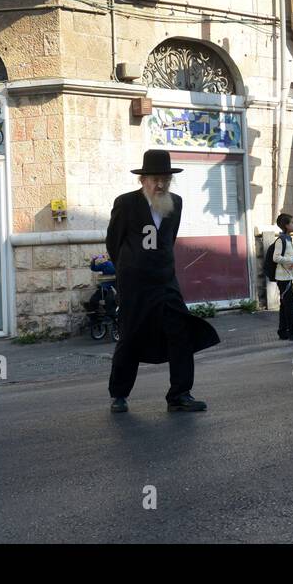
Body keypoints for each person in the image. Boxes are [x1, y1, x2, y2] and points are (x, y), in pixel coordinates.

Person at [106, 149, 220, 414]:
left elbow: (169, 240)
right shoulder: (126, 203)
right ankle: (119, 395)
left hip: (166, 281)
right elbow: (114, 241)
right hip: (135, 283)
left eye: (165, 179)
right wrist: (129, 268)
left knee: (180, 334)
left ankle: (180, 394)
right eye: (155, 179)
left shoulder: (176, 203)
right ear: (142, 180)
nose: (160, 184)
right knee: (131, 336)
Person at [265, 213, 293, 342]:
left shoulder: (288, 238)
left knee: (285, 305)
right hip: (283, 278)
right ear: (286, 225)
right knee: (289, 305)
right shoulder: (281, 240)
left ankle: (283, 331)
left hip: (286, 276)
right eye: (292, 222)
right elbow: (276, 258)